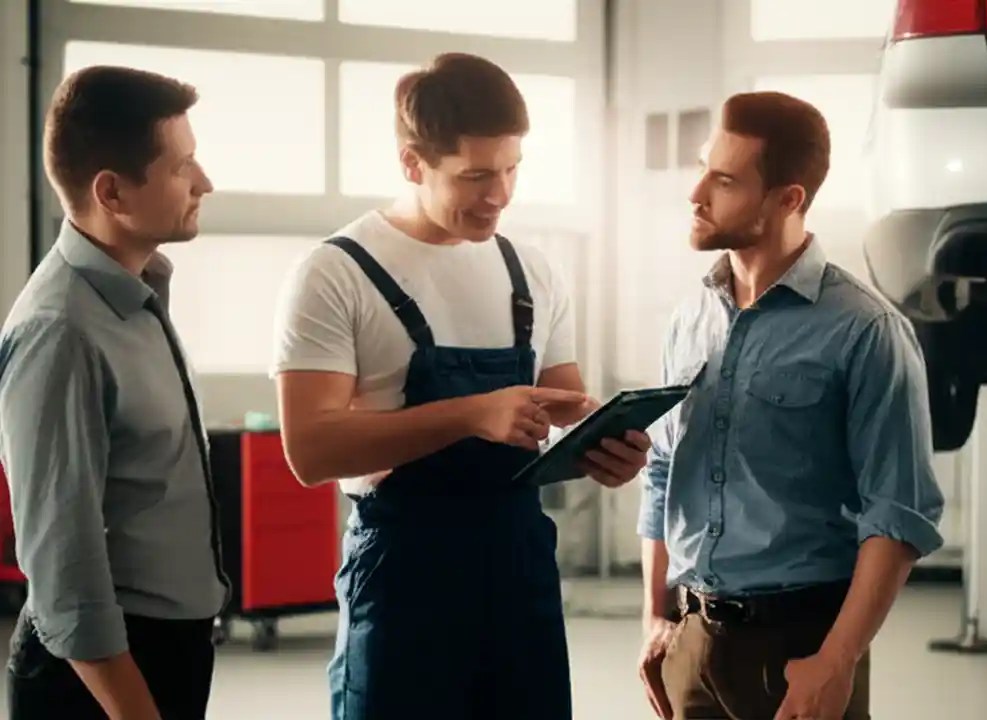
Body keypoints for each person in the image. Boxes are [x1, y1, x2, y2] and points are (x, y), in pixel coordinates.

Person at [271, 52, 650, 720]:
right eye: (475, 176)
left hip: (519, 561)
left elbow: (564, 403)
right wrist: (474, 413)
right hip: (404, 569)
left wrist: (602, 445)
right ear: (412, 163)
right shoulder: (335, 274)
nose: (500, 194)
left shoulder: (531, 270)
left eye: (511, 170)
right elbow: (312, 450)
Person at [635, 91, 946, 720]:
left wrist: (837, 661)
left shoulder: (865, 330)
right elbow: (664, 470)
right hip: (690, 641)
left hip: (799, 646)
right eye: (703, 167)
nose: (696, 193)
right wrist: (655, 614)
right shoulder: (690, 317)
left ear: (789, 198)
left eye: (724, 179)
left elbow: (899, 515)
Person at [0, 66, 227, 720]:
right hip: (104, 672)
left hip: (168, 647)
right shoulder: (61, 333)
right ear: (112, 192)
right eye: (182, 166)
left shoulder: (139, 291)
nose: (204, 181)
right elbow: (64, 573)